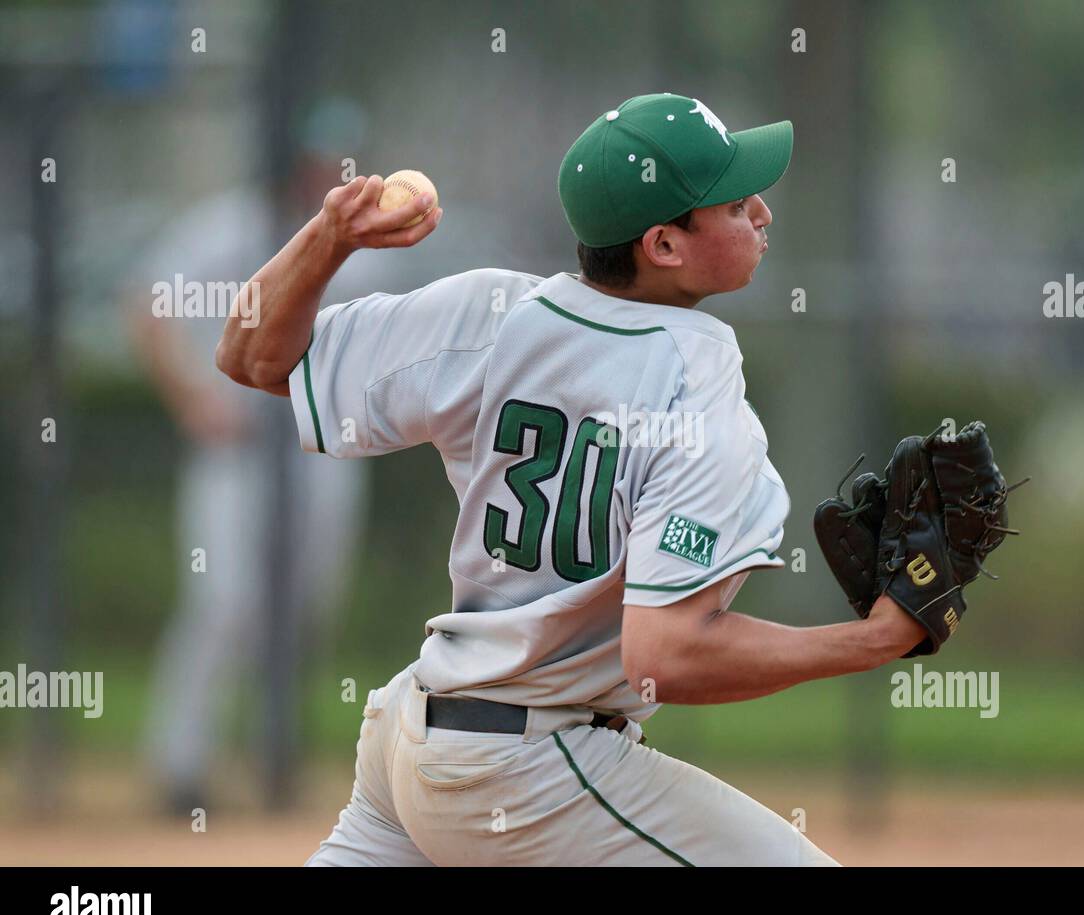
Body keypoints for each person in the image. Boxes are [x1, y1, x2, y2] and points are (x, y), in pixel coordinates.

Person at [216, 93, 925, 865]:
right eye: (731, 203)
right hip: (528, 771)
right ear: (663, 245)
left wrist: (327, 236)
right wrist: (873, 641)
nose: (762, 212)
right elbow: (667, 656)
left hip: (412, 737)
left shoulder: (490, 312)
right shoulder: (695, 384)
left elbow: (251, 356)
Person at [125, 100, 382, 812]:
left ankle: (277, 762)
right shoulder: (231, 224)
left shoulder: (358, 245)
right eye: (323, 158)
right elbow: (145, 307)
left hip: (319, 454)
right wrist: (192, 400)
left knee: (305, 607)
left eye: (343, 158)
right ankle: (182, 767)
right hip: (237, 453)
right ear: (292, 161)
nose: (335, 170)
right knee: (225, 604)